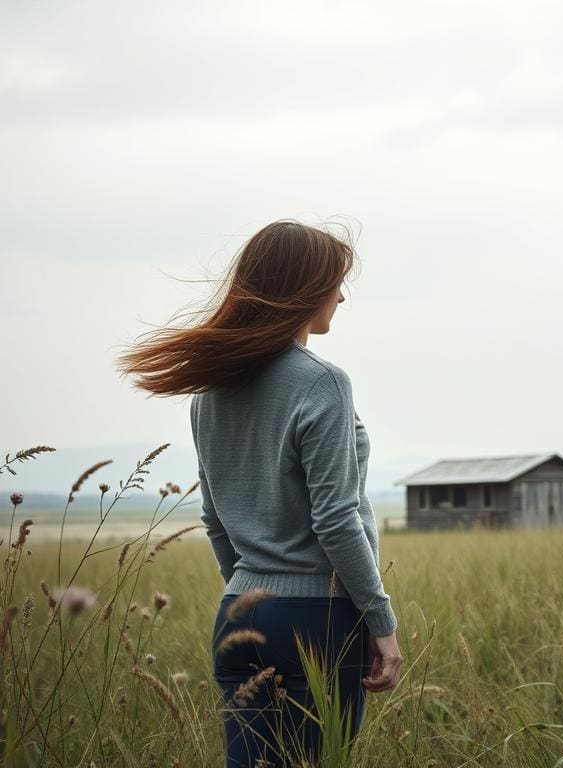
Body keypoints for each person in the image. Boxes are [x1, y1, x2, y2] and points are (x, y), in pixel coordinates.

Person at [116, 219, 403, 767]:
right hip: (318, 618)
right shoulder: (322, 382)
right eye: (335, 282)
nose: (341, 295)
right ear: (304, 288)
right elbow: (338, 519)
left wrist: (251, 594)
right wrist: (381, 623)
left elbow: (215, 519)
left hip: (240, 614)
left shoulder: (209, 391)